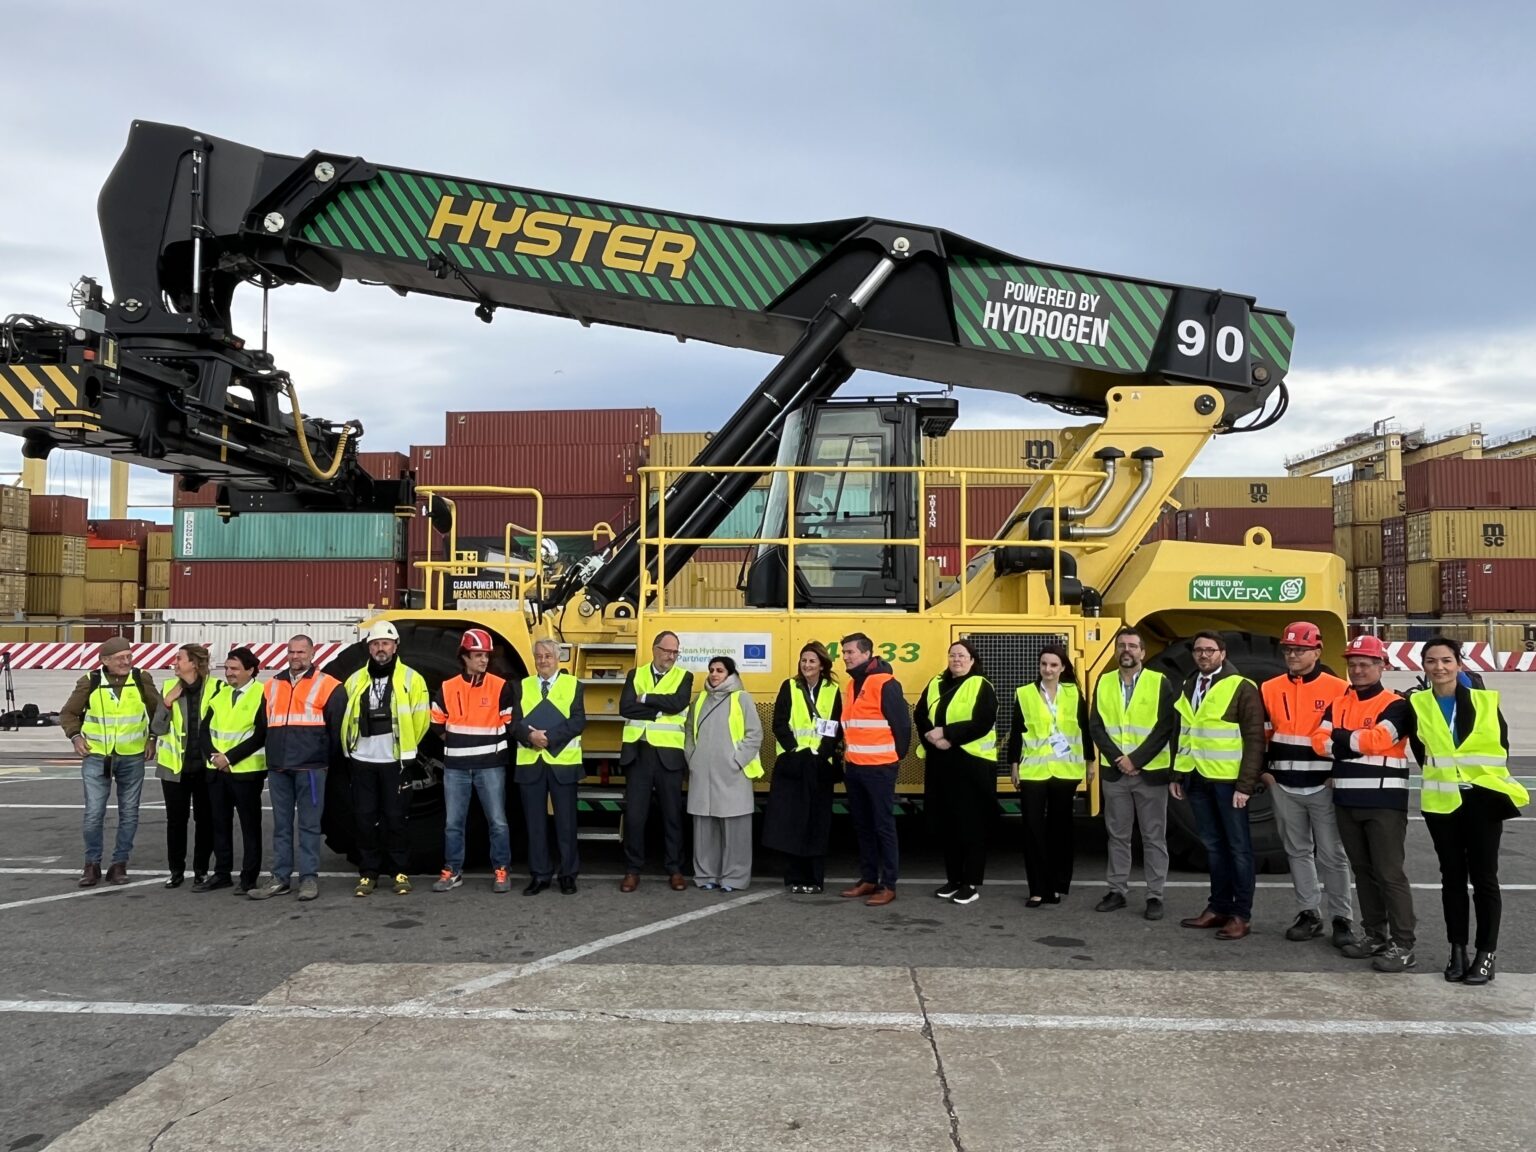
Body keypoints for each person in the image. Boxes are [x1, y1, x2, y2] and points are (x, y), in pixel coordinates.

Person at [1398, 636, 1528, 984]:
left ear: (1458, 664)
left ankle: (1487, 954)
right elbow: (1421, 752)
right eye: (1431, 662)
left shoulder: (1484, 703)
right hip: (1442, 802)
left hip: (1483, 801)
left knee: (1485, 879)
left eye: (1446, 660)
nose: (1439, 667)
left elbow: (1501, 746)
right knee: (1452, 880)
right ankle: (1457, 950)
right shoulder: (1418, 704)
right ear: (1423, 667)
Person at [1311, 634, 1418, 972]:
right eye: (1352, 664)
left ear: (1381, 666)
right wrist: (1354, 742)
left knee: (1389, 873)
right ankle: (1375, 935)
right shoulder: (1339, 702)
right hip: (1346, 799)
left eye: (1364, 664)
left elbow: (1380, 740)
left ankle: (1403, 945)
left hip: (1384, 801)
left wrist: (1341, 739)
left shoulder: (1397, 705)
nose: (1357, 670)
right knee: (1363, 871)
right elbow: (1317, 741)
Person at [1260, 621, 1355, 948]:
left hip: (1322, 786)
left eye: (1299, 649)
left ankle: (1342, 918)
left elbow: (1345, 736)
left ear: (1316, 651)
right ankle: (1308, 914)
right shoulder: (1270, 688)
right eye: (1288, 649)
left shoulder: (1337, 688)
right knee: (1297, 852)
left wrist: (1336, 775)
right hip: (1284, 785)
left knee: (1332, 854)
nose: (1292, 655)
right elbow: (1264, 733)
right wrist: (1265, 771)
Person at [1172, 631, 1265, 940]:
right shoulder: (1190, 684)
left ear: (1222, 654)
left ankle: (1241, 915)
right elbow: (1185, 732)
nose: (1203, 655)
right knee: (1213, 847)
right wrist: (1177, 773)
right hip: (1197, 778)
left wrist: (1245, 785)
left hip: (1229, 782)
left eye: (1209, 650)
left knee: (1239, 849)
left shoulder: (1241, 687)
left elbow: (1254, 739)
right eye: (1198, 650)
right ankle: (1218, 908)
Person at [1088, 627, 1179, 920]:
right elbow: (1096, 727)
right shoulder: (1103, 682)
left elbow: (1166, 727)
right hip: (1116, 773)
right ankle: (1117, 891)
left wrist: (1136, 759)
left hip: (1149, 772)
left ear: (1143, 652)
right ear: (1116, 651)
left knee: (1154, 837)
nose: (1126, 650)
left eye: (1132, 646)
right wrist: (1119, 759)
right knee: (1117, 835)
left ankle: (1155, 896)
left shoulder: (1159, 682)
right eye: (1121, 646)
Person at [61, 637, 162, 887]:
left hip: (132, 756)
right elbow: (68, 713)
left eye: (129, 656)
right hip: (97, 757)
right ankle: (91, 864)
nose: (126, 661)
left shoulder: (141, 679)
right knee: (94, 813)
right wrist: (75, 736)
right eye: (120, 658)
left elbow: (157, 711)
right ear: (104, 661)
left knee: (129, 813)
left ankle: (119, 864)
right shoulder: (90, 681)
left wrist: (152, 739)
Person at [340, 620, 431, 897]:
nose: (381, 649)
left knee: (396, 817)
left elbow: (421, 718)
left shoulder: (411, 679)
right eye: (376, 644)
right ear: (369, 648)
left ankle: (399, 871)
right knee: (365, 818)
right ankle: (368, 873)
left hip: (395, 761)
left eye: (385, 644)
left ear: (395, 646)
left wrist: (407, 748)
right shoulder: (355, 679)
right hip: (363, 758)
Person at [251, 634, 343, 902]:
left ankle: (308, 879)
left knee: (309, 826)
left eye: (301, 652)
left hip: (311, 769)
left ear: (312, 654)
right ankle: (280, 878)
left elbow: (336, 731)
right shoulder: (271, 686)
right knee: (281, 826)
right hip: (279, 768)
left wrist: (324, 762)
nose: (296, 656)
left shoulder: (329, 686)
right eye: (292, 651)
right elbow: (263, 725)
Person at [430, 628, 516, 895]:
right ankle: (452, 870)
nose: (484, 660)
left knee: (498, 822)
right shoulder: (447, 687)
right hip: (456, 768)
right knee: (453, 823)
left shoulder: (501, 687)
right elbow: (436, 723)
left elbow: (509, 725)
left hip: (490, 767)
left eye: (486, 656)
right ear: (464, 657)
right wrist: (459, 746)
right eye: (478, 655)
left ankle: (501, 870)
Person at [1007, 643, 1092, 908]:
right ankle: (1036, 888)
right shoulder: (1024, 693)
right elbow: (1016, 731)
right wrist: (1013, 765)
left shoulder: (1073, 693)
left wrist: (1090, 762)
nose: (1048, 669)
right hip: (1033, 769)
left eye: (1054, 665)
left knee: (1060, 830)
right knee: (1033, 829)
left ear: (1063, 667)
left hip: (1065, 770)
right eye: (1044, 664)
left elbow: (1084, 729)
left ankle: (1055, 886)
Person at [916, 639, 998, 906]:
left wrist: (948, 735)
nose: (956, 660)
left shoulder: (981, 685)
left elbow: (982, 722)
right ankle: (953, 879)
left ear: (972, 660)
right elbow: (920, 714)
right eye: (952, 655)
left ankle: (970, 883)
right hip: (941, 760)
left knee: (971, 825)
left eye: (962, 656)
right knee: (947, 824)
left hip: (971, 763)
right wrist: (933, 737)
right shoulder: (936, 683)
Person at [762, 642, 842, 894]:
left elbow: (836, 725)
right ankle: (794, 877)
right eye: (803, 660)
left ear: (822, 664)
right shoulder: (790, 686)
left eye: (811, 661)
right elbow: (779, 723)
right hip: (794, 763)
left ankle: (815, 878)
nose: (806, 665)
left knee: (817, 823)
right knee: (792, 822)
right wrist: (796, 750)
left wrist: (822, 753)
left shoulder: (833, 689)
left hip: (820, 764)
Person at [618, 631, 695, 892]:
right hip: (638, 753)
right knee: (635, 816)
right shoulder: (635, 675)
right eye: (667, 651)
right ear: (655, 649)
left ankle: (675, 869)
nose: (671, 657)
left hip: (668, 756)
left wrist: (648, 699)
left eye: (675, 652)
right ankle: (632, 869)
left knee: (672, 815)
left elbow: (678, 703)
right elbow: (625, 708)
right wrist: (660, 710)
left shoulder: (684, 677)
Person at [838, 633, 910, 907]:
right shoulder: (851, 684)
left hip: (880, 768)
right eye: (844, 652)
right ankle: (868, 878)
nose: (846, 656)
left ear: (867, 654)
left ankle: (888, 884)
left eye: (850, 652)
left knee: (883, 826)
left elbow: (901, 726)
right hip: (855, 766)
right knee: (863, 825)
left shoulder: (886, 683)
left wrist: (893, 758)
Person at [514, 637, 586, 895]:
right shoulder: (521, 686)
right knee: (535, 824)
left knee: (566, 823)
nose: (543, 660)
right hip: (531, 763)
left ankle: (568, 874)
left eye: (548, 656)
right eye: (539, 656)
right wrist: (529, 736)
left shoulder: (573, 685)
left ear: (558, 658)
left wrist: (549, 738)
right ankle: (540, 875)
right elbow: (513, 722)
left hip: (562, 764)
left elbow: (578, 721)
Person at [685, 655, 763, 891]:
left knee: (735, 828)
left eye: (720, 670)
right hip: (702, 773)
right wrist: (692, 759)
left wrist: (737, 761)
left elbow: (754, 734)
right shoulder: (699, 701)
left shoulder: (742, 698)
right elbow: (688, 732)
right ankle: (705, 875)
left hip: (732, 774)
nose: (714, 674)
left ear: (731, 674)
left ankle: (734, 878)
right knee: (704, 828)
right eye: (711, 670)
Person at [198, 647, 269, 895]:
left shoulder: (262, 694)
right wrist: (214, 757)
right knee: (220, 824)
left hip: (246, 772)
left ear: (250, 670)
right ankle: (222, 873)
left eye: (235, 669)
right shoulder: (219, 695)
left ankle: (249, 877)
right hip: (217, 771)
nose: (229, 673)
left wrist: (229, 758)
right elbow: (204, 731)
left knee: (250, 826)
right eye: (227, 668)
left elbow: (260, 734)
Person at [149, 644, 220, 889]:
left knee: (205, 820)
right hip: (174, 768)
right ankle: (176, 870)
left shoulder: (216, 688)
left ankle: (200, 869)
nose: (175, 663)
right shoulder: (168, 688)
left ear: (194, 664)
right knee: (176, 821)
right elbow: (157, 729)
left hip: (205, 768)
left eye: (179, 659)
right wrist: (167, 703)